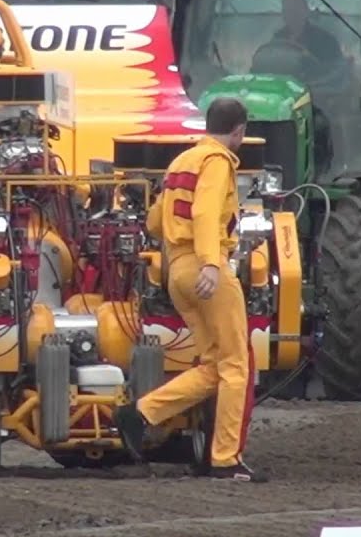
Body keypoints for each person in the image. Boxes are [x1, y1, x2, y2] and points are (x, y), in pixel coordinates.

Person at [113, 95, 265, 483]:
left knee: (214, 365)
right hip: (204, 270)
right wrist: (213, 264)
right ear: (239, 131)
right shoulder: (217, 162)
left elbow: (155, 223)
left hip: (177, 270)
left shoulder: (181, 162)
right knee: (236, 367)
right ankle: (225, 458)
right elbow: (204, 212)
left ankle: (141, 413)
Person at [265, 0, 344, 66]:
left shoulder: (326, 41)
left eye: (297, 9)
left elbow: (335, 71)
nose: (293, 14)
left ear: (306, 11)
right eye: (288, 10)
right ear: (283, 14)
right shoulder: (277, 39)